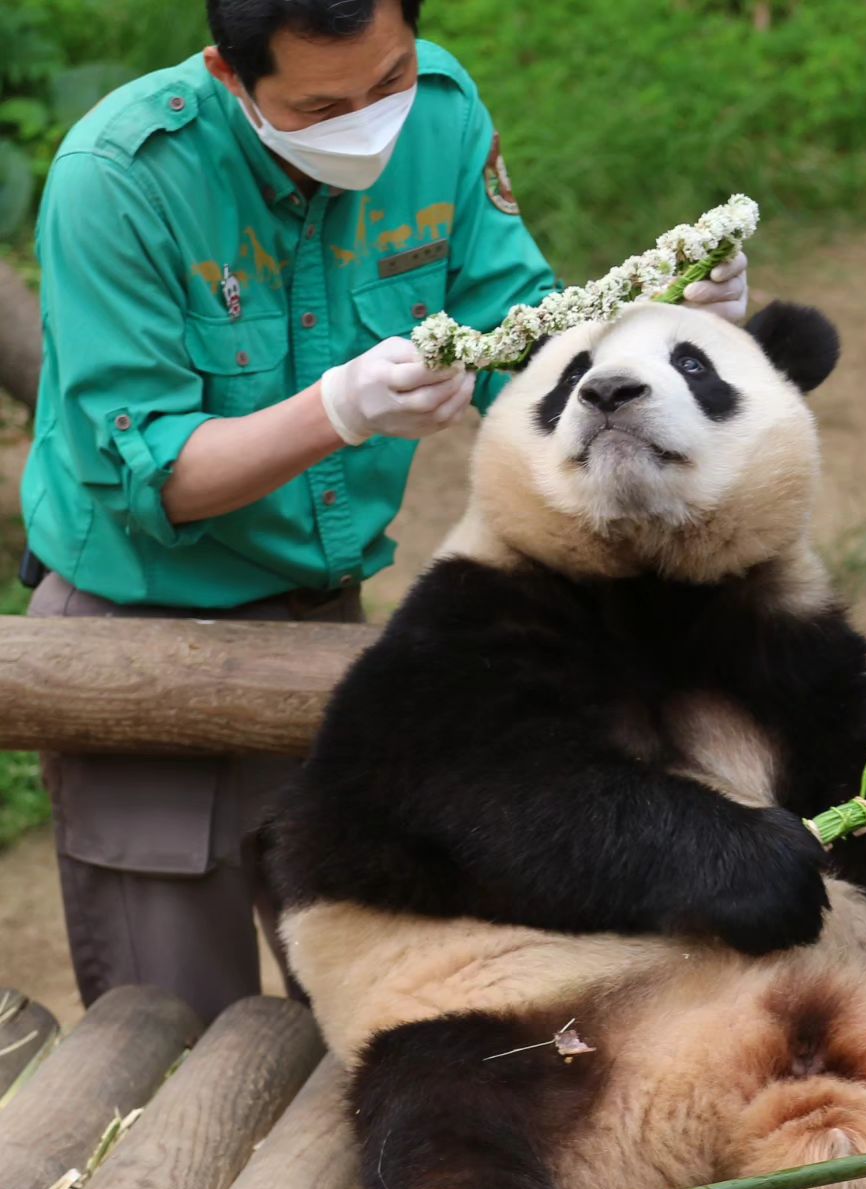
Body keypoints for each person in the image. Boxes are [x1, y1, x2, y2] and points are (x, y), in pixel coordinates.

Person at [19, 0, 748, 1023]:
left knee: (372, 992)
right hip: (141, 624)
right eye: (321, 105)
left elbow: (519, 340)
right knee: (166, 1029)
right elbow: (156, 477)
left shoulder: (441, 113)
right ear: (233, 78)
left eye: (388, 80)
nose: (369, 122)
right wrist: (336, 412)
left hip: (327, 623)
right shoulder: (123, 178)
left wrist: (660, 340)